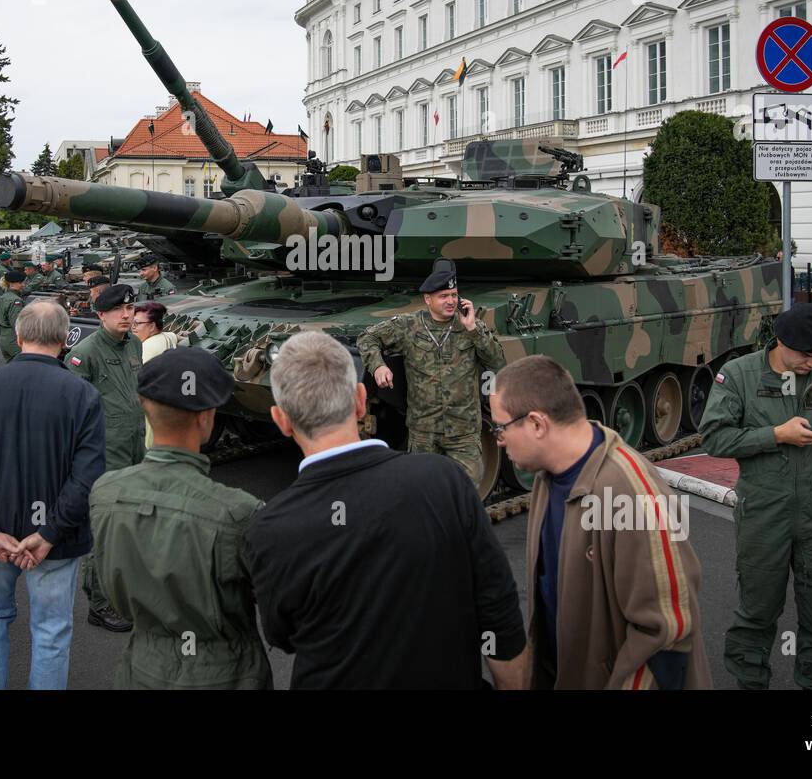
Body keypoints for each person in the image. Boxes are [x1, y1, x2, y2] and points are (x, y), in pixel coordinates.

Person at [244, 331, 526, 689]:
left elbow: (283, 634)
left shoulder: (267, 529)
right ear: (361, 400)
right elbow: (499, 615)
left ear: (281, 420)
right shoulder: (445, 481)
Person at [491, 355, 710, 689]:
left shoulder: (631, 492)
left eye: (500, 427)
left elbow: (668, 632)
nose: (498, 440)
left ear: (536, 424)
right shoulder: (547, 478)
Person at [700, 302, 812, 691]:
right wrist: (776, 435)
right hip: (764, 512)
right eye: (806, 355)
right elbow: (714, 437)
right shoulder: (740, 375)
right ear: (780, 341)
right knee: (757, 610)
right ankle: (750, 682)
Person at [0, 301, 106, 690]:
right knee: (51, 630)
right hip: (55, 540)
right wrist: (49, 532)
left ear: (18, 338)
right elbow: (88, 477)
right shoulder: (81, 394)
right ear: (65, 341)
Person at [89, 346, 270, 689]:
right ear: (206, 417)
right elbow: (278, 614)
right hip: (226, 674)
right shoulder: (237, 511)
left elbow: (97, 581)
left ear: (143, 404)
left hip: (139, 666)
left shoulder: (104, 492)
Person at [357, 258, 505, 487]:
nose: (451, 301)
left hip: (463, 432)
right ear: (428, 299)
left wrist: (473, 329)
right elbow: (368, 337)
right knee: (422, 493)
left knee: (466, 493)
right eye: (443, 296)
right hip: (423, 431)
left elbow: (497, 360)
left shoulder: (471, 326)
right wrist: (379, 365)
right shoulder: (409, 326)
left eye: (454, 295)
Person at [64, 283, 144, 633]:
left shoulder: (135, 345)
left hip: (134, 446)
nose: (127, 315)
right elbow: (71, 412)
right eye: (118, 310)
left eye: (130, 309)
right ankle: (99, 603)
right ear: (101, 315)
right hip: (103, 454)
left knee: (129, 524)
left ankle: (124, 590)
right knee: (103, 529)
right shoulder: (84, 353)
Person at [131, 301, 179, 450]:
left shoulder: (147, 348)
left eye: (137, 323)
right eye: (132, 322)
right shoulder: (167, 337)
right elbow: (173, 335)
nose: (133, 327)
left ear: (152, 326)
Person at [0, 268, 28, 363]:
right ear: (13, 284)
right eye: (21, 283)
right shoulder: (16, 301)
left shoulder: (4, 297)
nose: (23, 285)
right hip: (13, 339)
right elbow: (17, 324)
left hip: (4, 337)